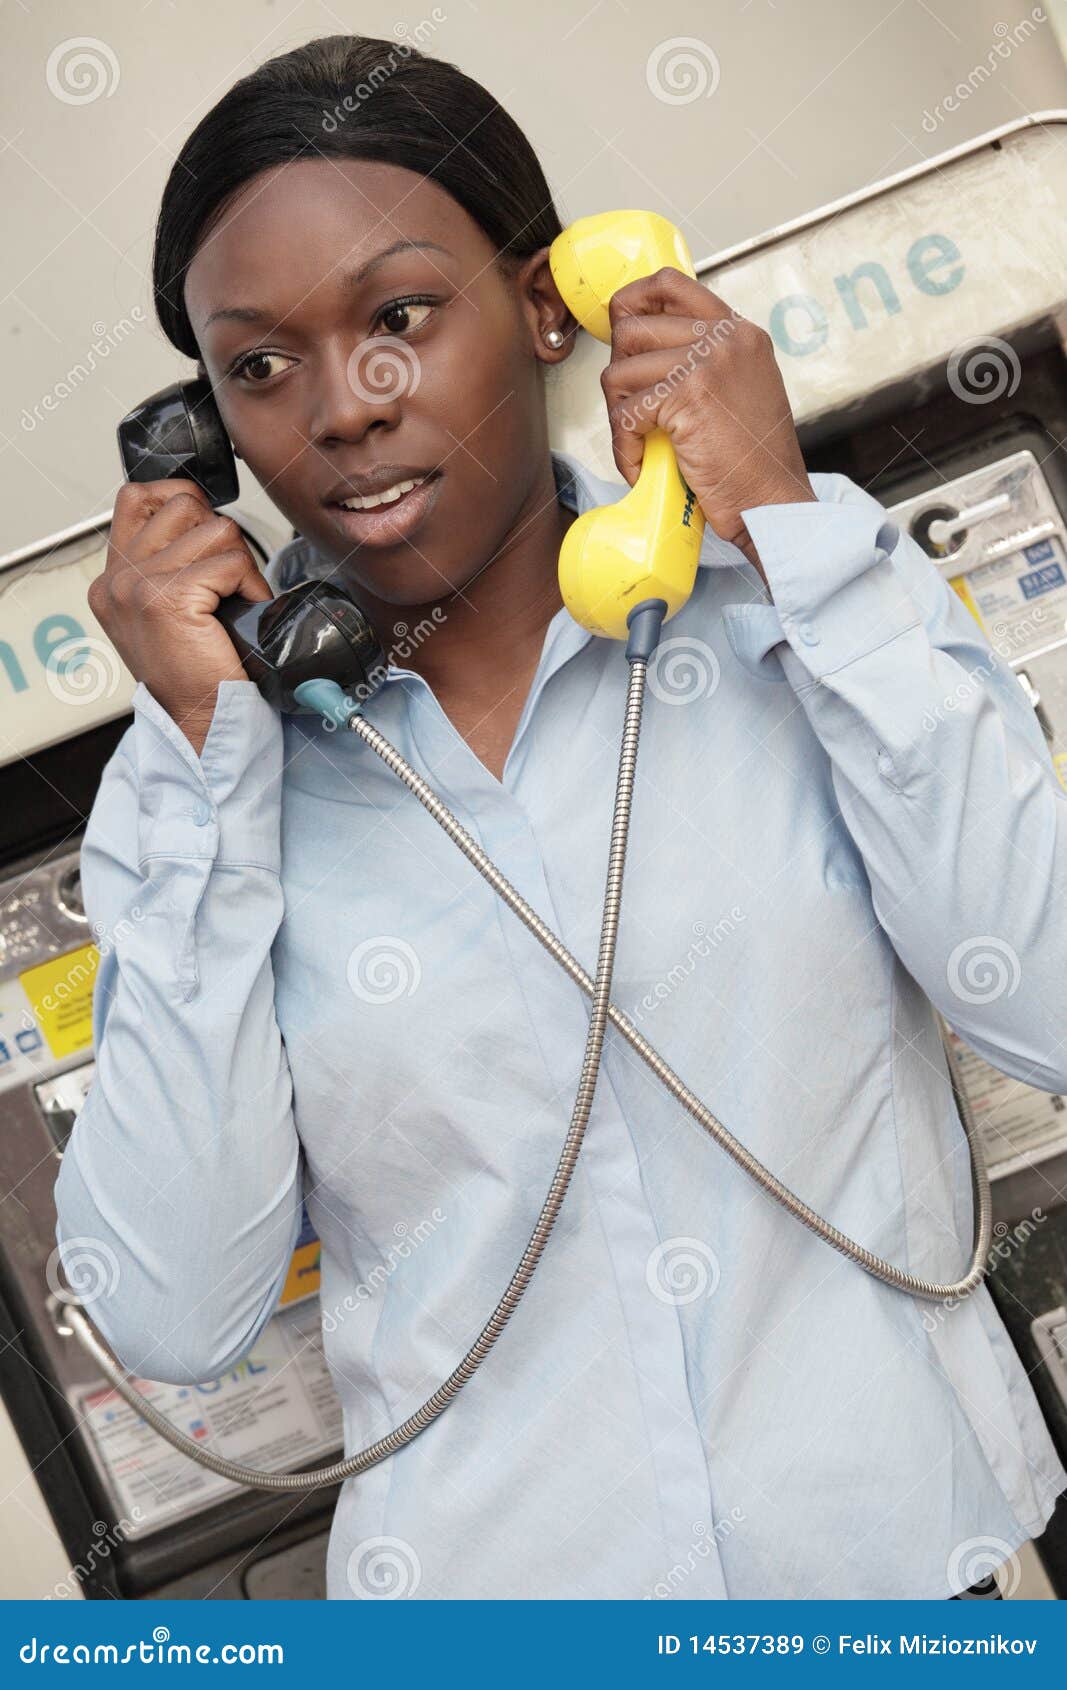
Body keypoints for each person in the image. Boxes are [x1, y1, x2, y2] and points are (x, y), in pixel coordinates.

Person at [55, 33, 1067, 1601]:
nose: (344, 406)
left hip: (898, 1583)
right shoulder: (207, 783)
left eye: (399, 317)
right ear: (205, 435)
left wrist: (797, 540)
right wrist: (204, 771)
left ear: (551, 304)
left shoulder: (796, 603)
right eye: (260, 366)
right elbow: (179, 1314)